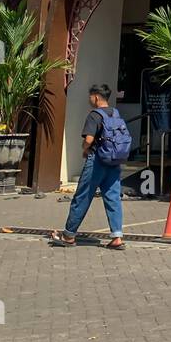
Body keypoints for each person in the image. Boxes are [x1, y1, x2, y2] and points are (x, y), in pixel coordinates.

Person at [50, 84, 126, 249]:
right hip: (114, 161)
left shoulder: (94, 115)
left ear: (96, 97)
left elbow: (89, 140)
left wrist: (85, 148)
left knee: (83, 196)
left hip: (97, 161)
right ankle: (117, 237)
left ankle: (69, 235)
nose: (89, 100)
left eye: (90, 96)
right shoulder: (116, 113)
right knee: (113, 197)